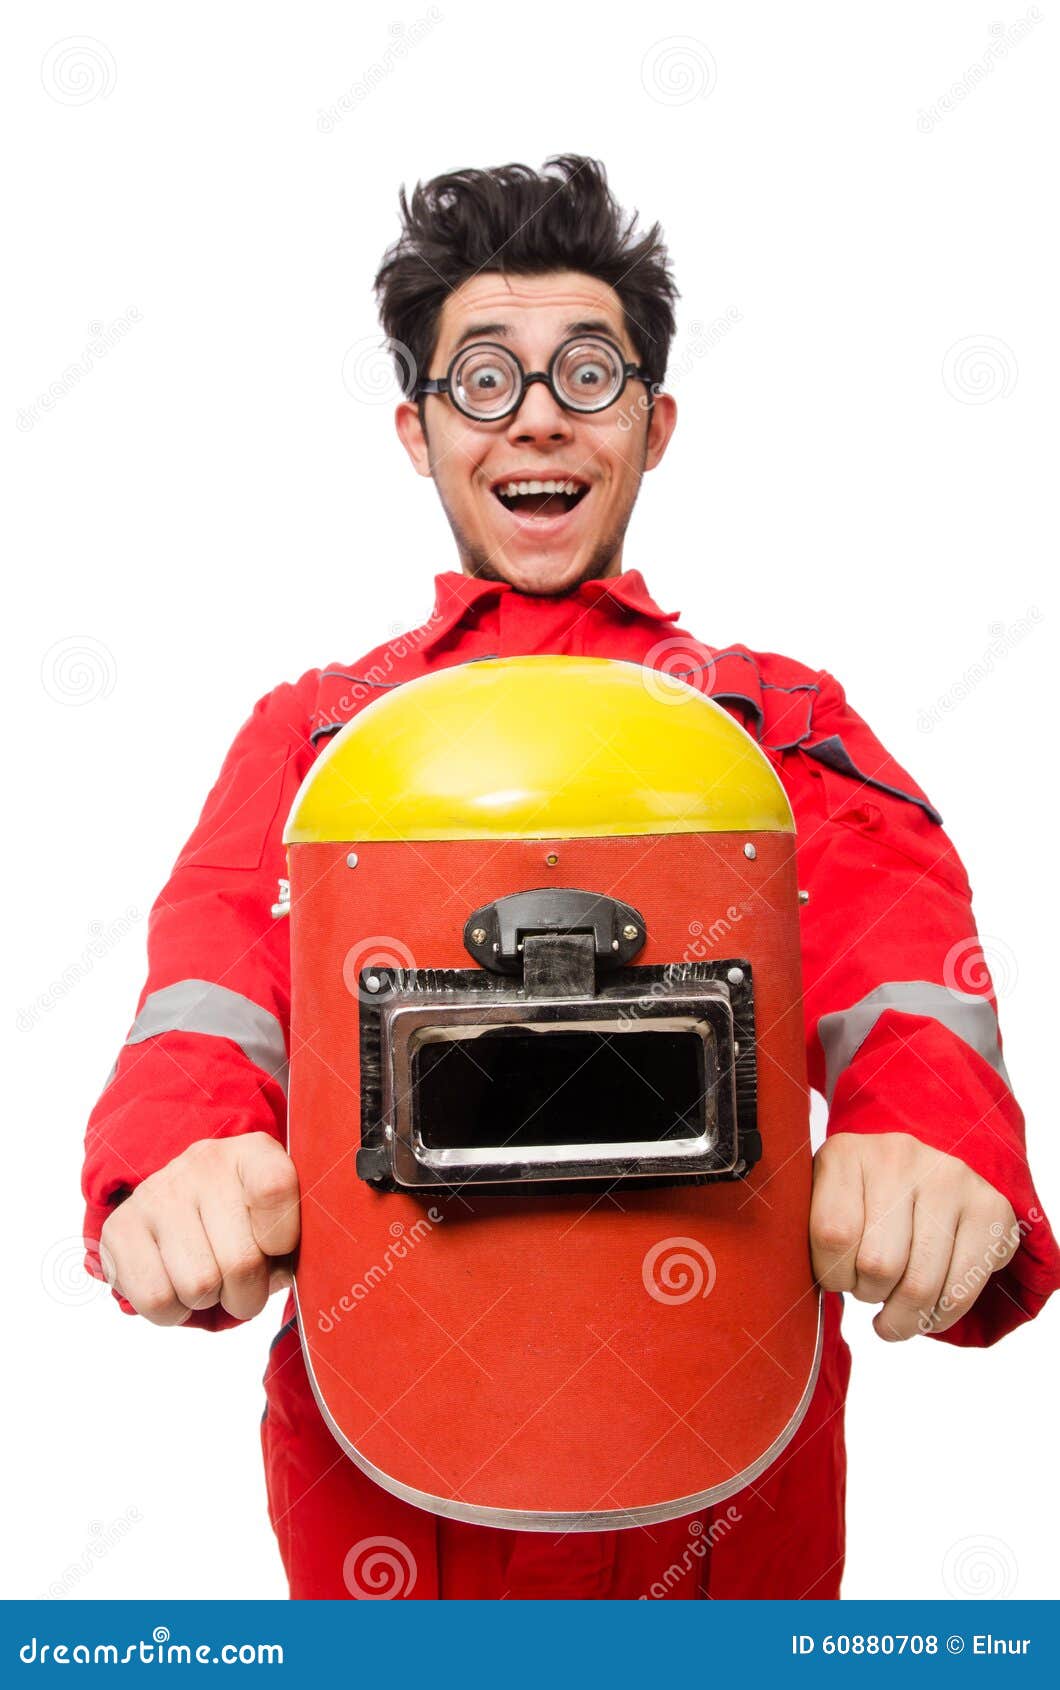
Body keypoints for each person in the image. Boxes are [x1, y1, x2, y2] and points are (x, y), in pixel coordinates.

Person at [81, 155, 1059, 1601]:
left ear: (653, 425)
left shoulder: (778, 722)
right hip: (388, 1483)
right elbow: (207, 999)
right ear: (417, 431)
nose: (536, 413)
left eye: (585, 373)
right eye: (484, 379)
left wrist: (936, 1149)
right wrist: (168, 1165)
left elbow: (914, 982)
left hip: (731, 1484)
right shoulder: (314, 735)